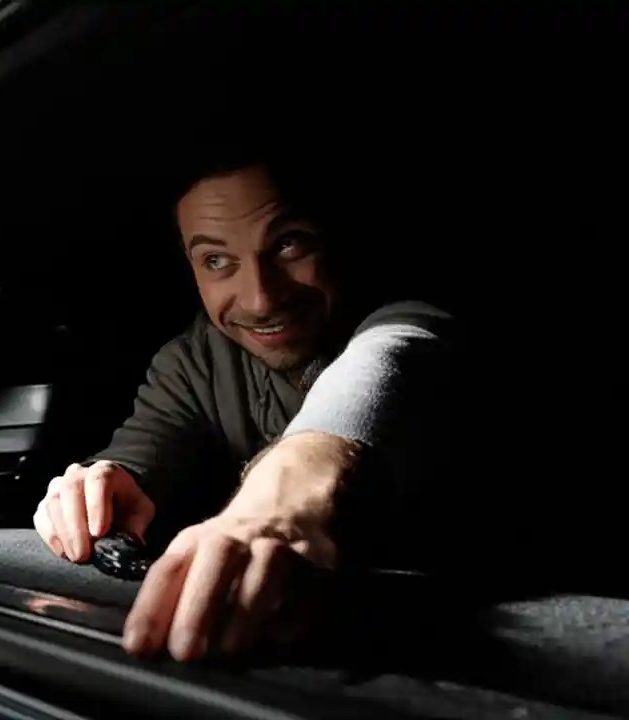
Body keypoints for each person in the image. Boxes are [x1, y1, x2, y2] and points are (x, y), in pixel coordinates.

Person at [32, 153, 454, 662]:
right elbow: (141, 453)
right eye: (216, 261)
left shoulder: (402, 310)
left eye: (289, 243)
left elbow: (394, 352)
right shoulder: (192, 361)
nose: (260, 299)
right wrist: (101, 485)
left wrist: (286, 494)